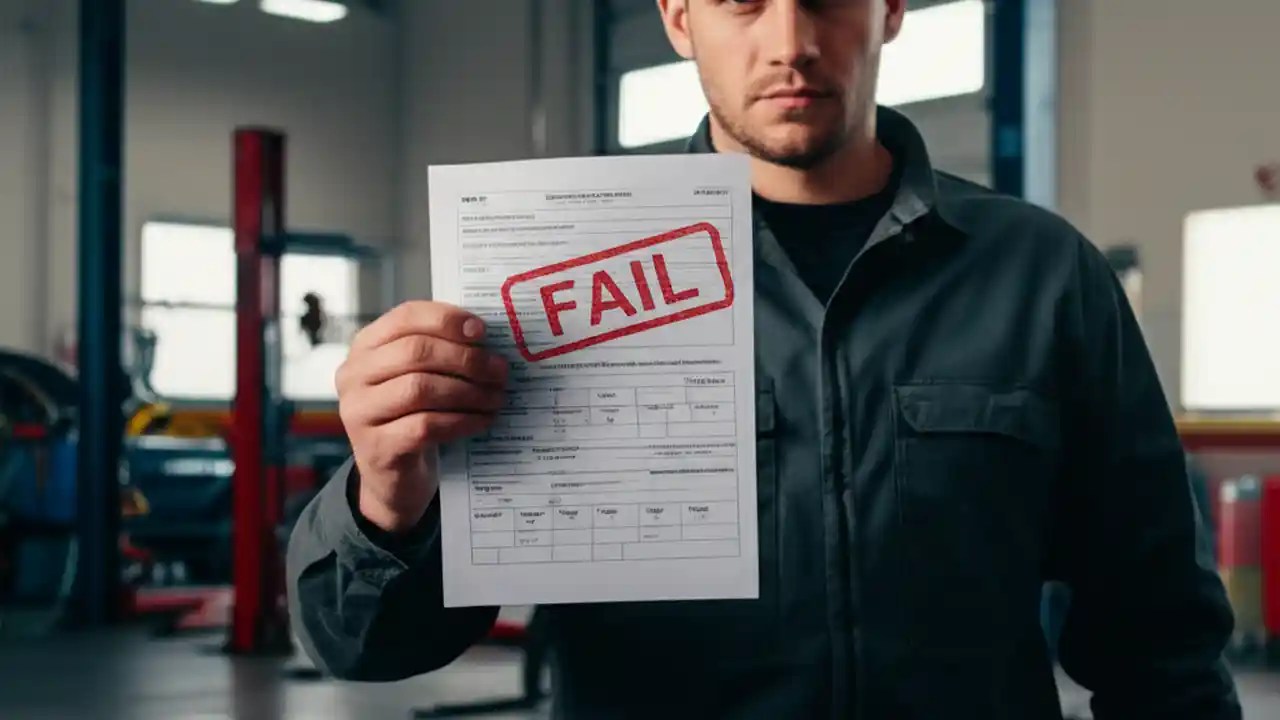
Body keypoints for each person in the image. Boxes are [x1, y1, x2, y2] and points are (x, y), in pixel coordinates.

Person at [286, 1, 1242, 717]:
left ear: (892, 8)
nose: (790, 40)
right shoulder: (553, 276)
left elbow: (1157, 633)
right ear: (677, 16)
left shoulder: (1040, 274)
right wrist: (385, 496)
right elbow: (365, 646)